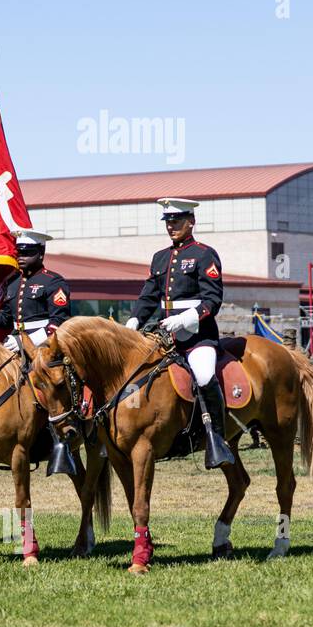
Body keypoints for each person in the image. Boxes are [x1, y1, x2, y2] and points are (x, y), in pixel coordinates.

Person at [127, 197, 231, 468]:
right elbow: (149, 297)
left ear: (191, 222)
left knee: (205, 375)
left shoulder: (204, 254)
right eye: (168, 222)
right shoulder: (160, 257)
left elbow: (212, 301)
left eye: (177, 221)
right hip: (165, 337)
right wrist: (134, 321)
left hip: (198, 336)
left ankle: (216, 439)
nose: (171, 226)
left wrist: (185, 319)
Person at [0, 227, 72, 352]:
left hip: (44, 347)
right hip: (14, 341)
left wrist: (27, 342)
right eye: (19, 253)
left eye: (27, 253)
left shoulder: (53, 281)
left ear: (41, 253)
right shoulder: (13, 282)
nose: (20, 257)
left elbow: (59, 322)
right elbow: (6, 319)